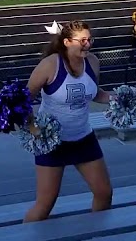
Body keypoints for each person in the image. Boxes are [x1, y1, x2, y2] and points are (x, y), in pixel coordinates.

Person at [23, 20, 114, 222]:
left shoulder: (93, 62)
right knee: (45, 204)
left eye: (89, 40)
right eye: (82, 41)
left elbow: (93, 93)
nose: (87, 44)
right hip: (52, 142)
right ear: (66, 42)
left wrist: (117, 99)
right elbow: (24, 100)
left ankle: (97, 234)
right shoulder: (50, 65)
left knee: (104, 193)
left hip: (83, 138)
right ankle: (24, 239)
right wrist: (33, 127)